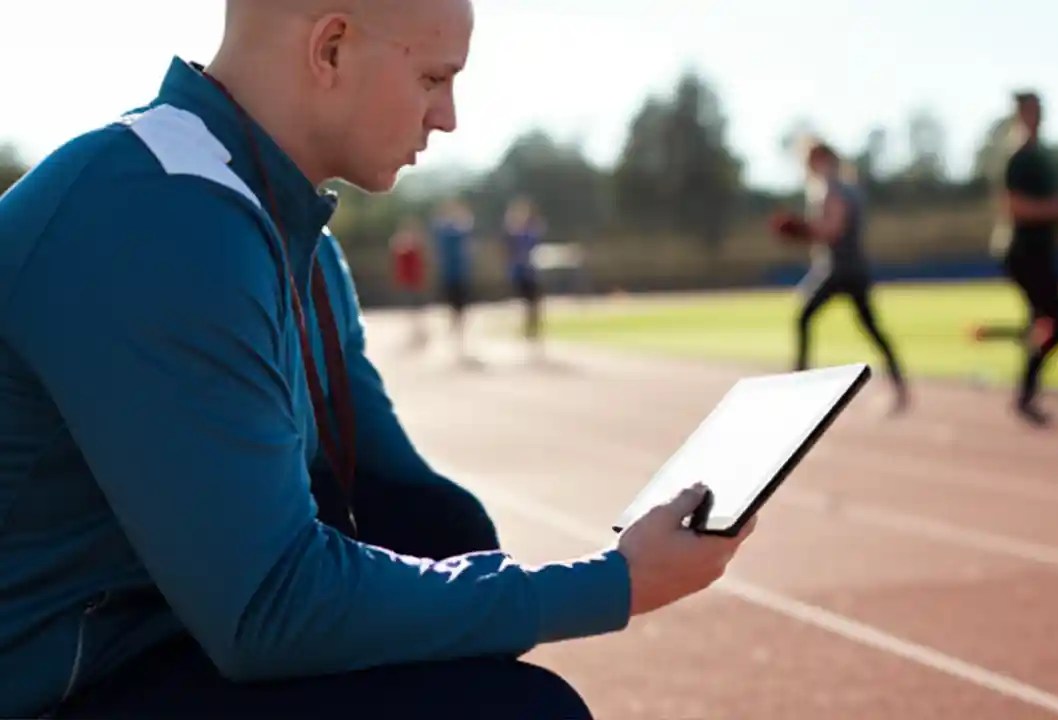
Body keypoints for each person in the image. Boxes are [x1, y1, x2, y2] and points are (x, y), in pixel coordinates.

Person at [0, 1, 755, 717]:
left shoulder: (296, 242)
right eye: (434, 78)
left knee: (442, 528)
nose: (449, 117)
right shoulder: (161, 220)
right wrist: (614, 584)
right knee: (520, 712)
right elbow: (271, 607)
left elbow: (398, 499)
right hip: (55, 684)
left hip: (154, 635)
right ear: (330, 48)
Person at [771, 142, 909, 412]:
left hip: (840, 269)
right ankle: (900, 386)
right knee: (872, 329)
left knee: (804, 317)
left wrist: (802, 230)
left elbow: (833, 230)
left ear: (821, 159)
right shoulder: (846, 187)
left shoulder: (833, 189)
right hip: (852, 268)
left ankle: (798, 384)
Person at [1000, 91, 1058, 426]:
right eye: (1032, 110)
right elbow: (1016, 208)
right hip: (1025, 254)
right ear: (1021, 114)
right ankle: (1026, 385)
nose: (1037, 116)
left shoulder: (1043, 157)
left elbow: (1054, 208)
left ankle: (1026, 389)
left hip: (1043, 253)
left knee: (1048, 321)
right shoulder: (1019, 157)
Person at [431, 197, 476, 364]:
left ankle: (458, 336)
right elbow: (465, 225)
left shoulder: (451, 231)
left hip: (459, 274)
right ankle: (456, 337)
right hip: (451, 275)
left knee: (460, 308)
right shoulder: (449, 232)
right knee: (454, 307)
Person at [503, 196, 546, 358]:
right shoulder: (513, 234)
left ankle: (534, 330)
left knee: (535, 303)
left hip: (531, 272)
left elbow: (538, 236)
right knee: (526, 303)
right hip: (520, 273)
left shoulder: (530, 232)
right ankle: (527, 330)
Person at [389, 215, 431, 347]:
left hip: (415, 278)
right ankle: (415, 329)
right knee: (412, 304)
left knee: (418, 305)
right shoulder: (402, 244)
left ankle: (420, 329)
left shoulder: (415, 245)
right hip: (408, 279)